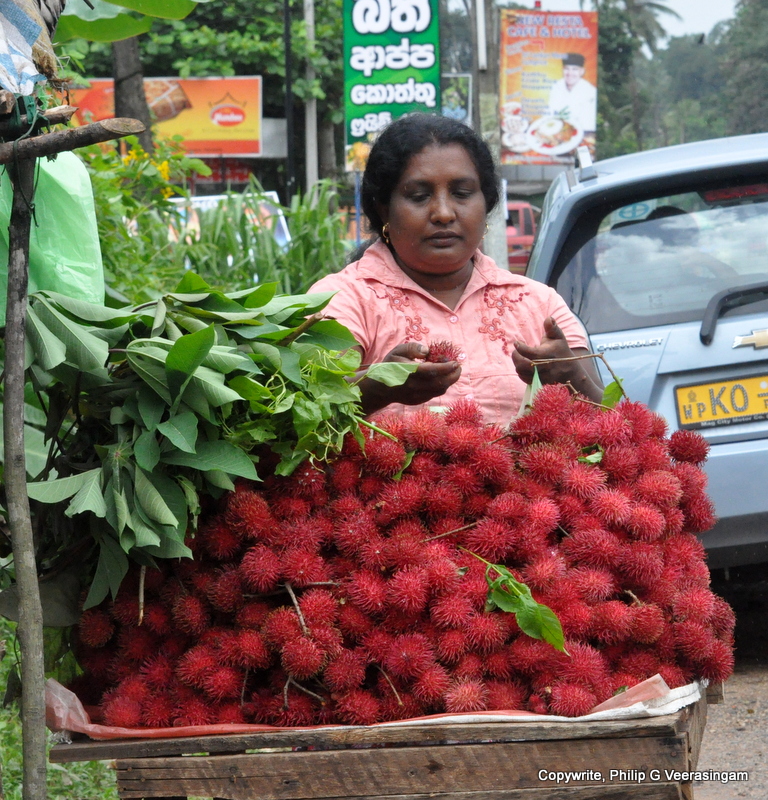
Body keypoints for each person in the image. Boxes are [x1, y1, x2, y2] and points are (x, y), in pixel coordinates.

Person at [309, 114, 603, 425]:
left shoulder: (538, 303)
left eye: (462, 193)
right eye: (419, 196)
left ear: (486, 203)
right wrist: (379, 386)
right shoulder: (340, 301)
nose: (444, 213)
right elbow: (299, 418)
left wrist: (572, 376)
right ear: (384, 208)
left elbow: (617, 427)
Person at [546, 53, 597, 132]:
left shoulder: (590, 92)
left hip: (581, 133)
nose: (570, 73)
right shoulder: (556, 86)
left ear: (582, 71)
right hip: (556, 130)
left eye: (575, 69)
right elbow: (550, 112)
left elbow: (588, 123)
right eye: (566, 69)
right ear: (562, 70)